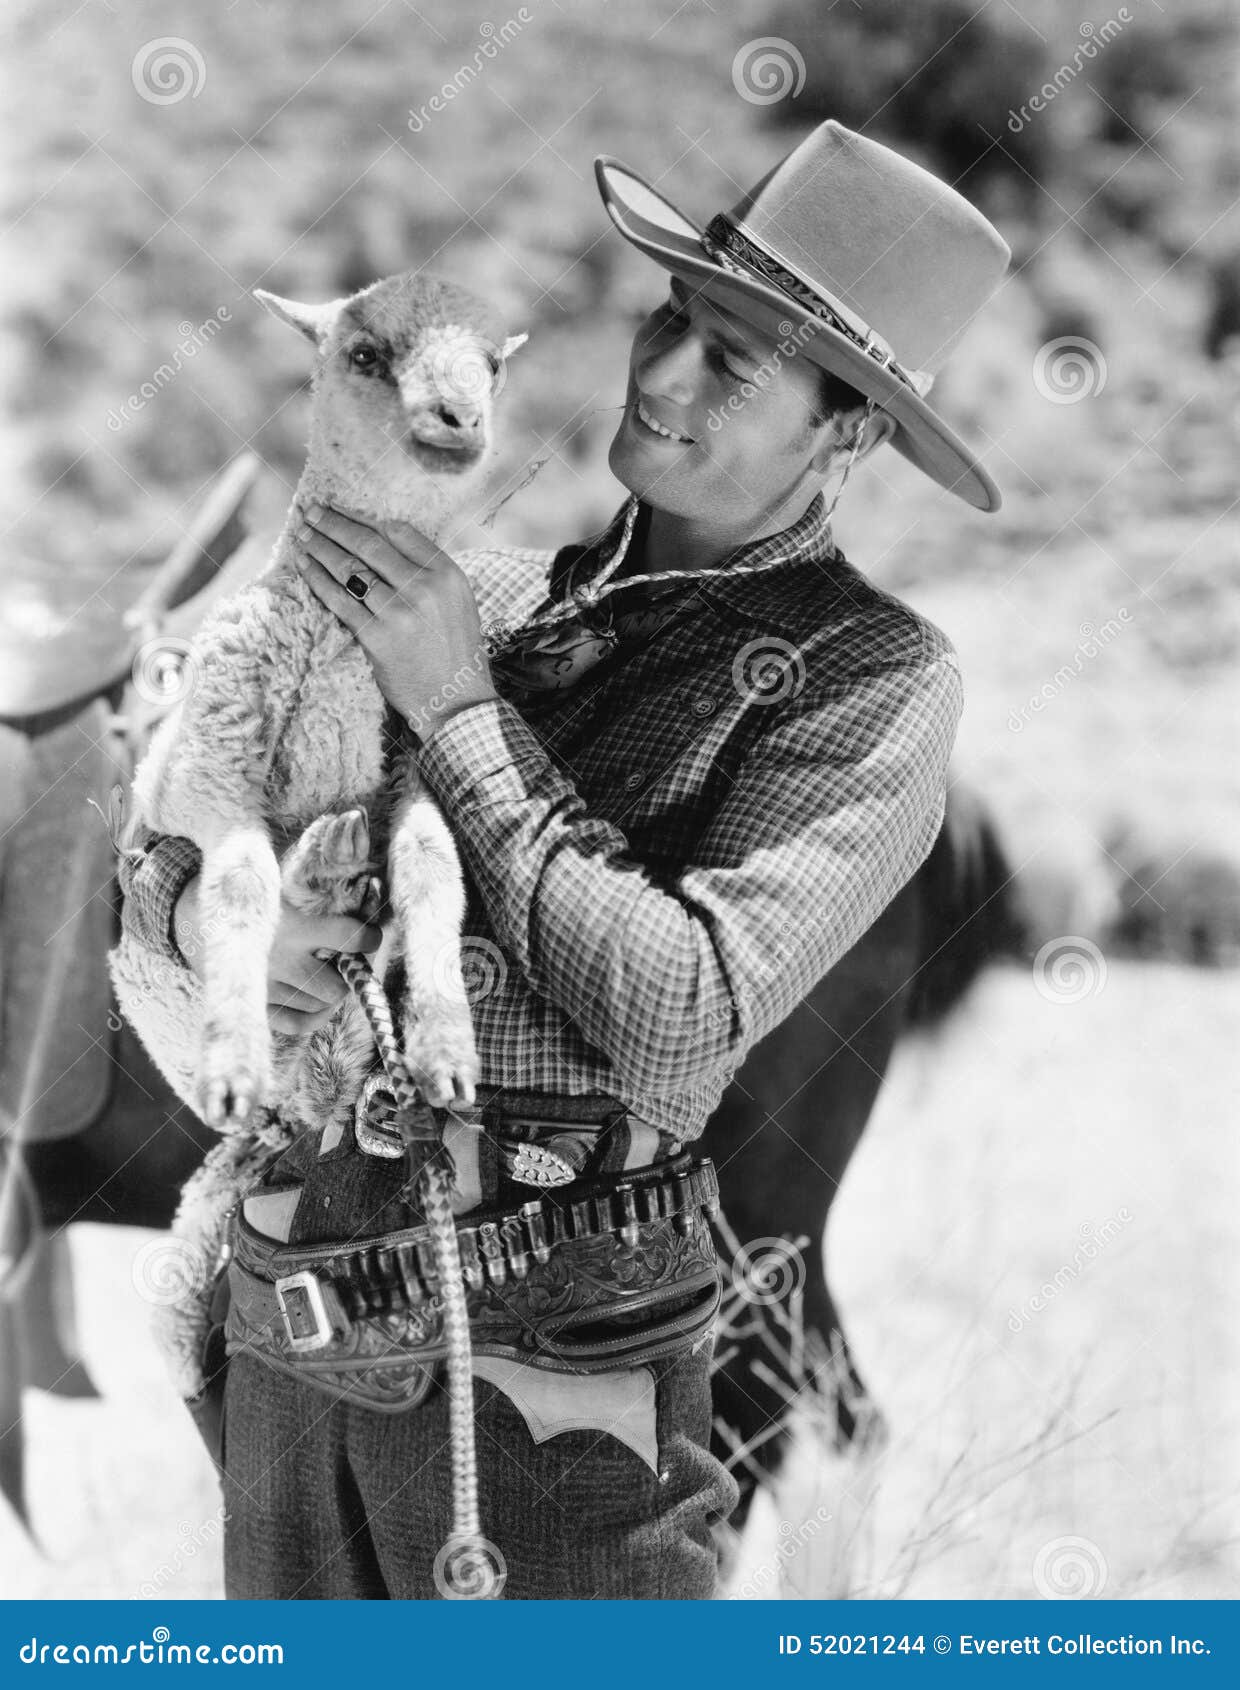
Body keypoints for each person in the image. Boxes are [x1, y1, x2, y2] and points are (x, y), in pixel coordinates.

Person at [117, 120, 1009, 1600]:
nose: (661, 372)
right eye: (675, 318)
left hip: (548, 1414)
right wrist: (239, 946)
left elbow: (677, 1013)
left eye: (735, 364)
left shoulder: (875, 679)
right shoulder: (478, 590)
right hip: (286, 1368)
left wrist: (458, 706)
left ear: (844, 433)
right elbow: (185, 879)